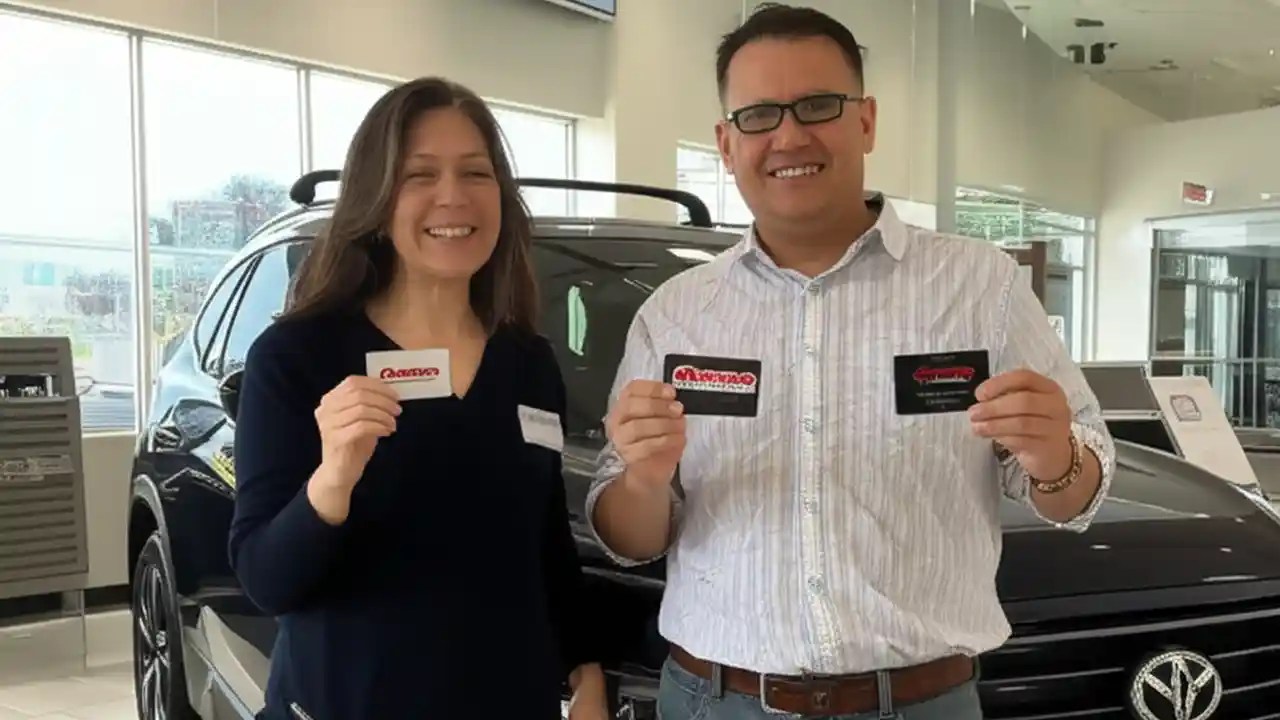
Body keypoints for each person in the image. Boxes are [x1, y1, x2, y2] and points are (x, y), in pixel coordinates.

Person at [586, 5, 1116, 720]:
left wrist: (1057, 457)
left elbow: (1076, 493)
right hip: (717, 701)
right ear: (725, 140)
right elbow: (627, 538)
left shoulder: (979, 287)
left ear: (865, 121)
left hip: (922, 702)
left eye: (818, 106)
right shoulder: (676, 312)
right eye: (759, 115)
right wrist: (646, 480)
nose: (789, 135)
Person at [227, 77, 609, 720]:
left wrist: (585, 665)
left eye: (476, 173)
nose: (452, 197)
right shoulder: (298, 357)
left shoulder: (527, 363)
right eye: (419, 175)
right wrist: (333, 481)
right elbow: (268, 582)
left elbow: (545, 545)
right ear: (377, 199)